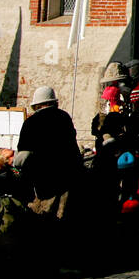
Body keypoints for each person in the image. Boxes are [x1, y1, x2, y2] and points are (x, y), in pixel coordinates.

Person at [16, 86, 85, 220]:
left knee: (45, 222)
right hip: (69, 179)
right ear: (54, 102)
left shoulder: (31, 122)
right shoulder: (64, 117)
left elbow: (23, 157)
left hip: (45, 184)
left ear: (36, 105)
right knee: (66, 220)